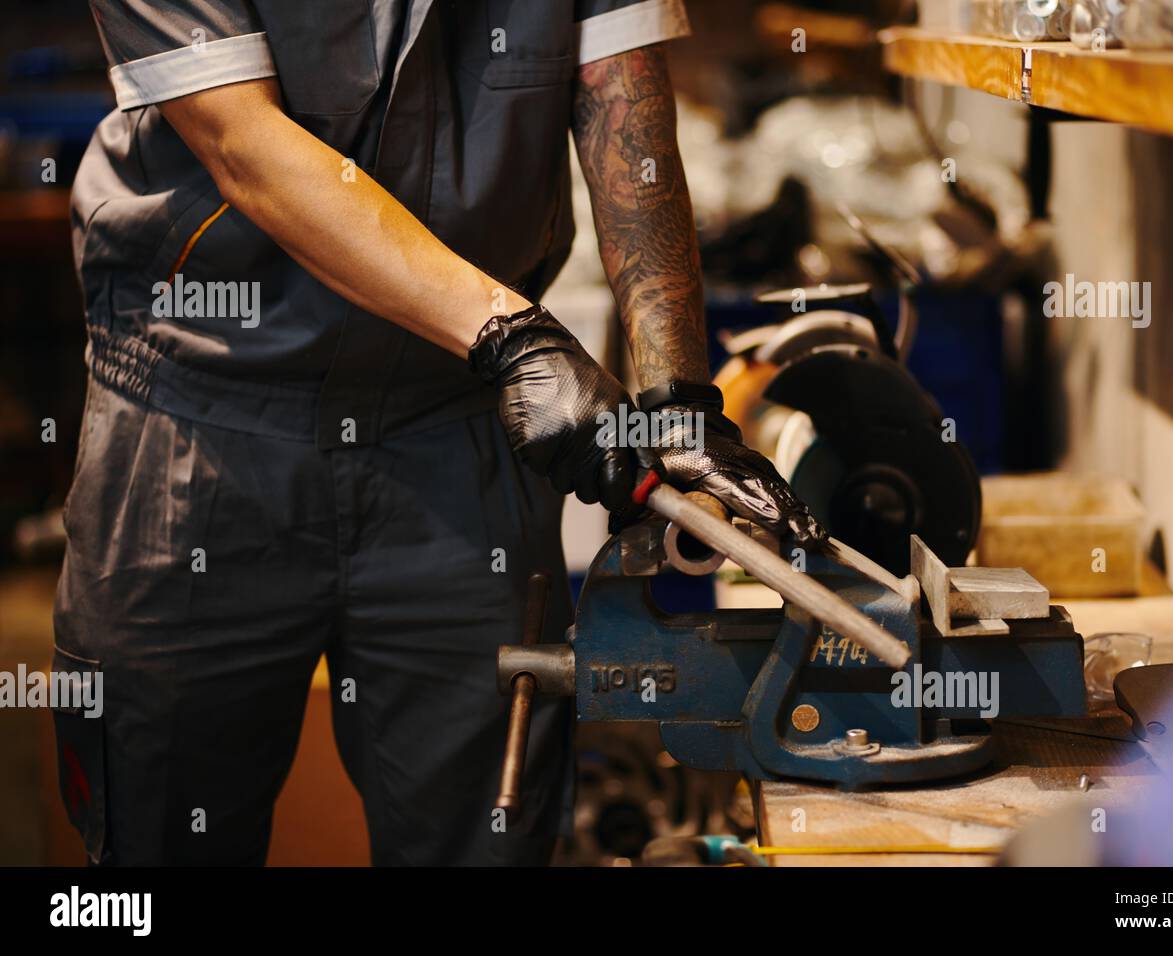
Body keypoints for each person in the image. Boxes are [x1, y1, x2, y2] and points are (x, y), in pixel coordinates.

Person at [55, 0, 822, 865]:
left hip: (453, 428)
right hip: (204, 424)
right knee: (163, 832)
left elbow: (621, 96)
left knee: (483, 836)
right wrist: (511, 336)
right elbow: (244, 143)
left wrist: (674, 396)